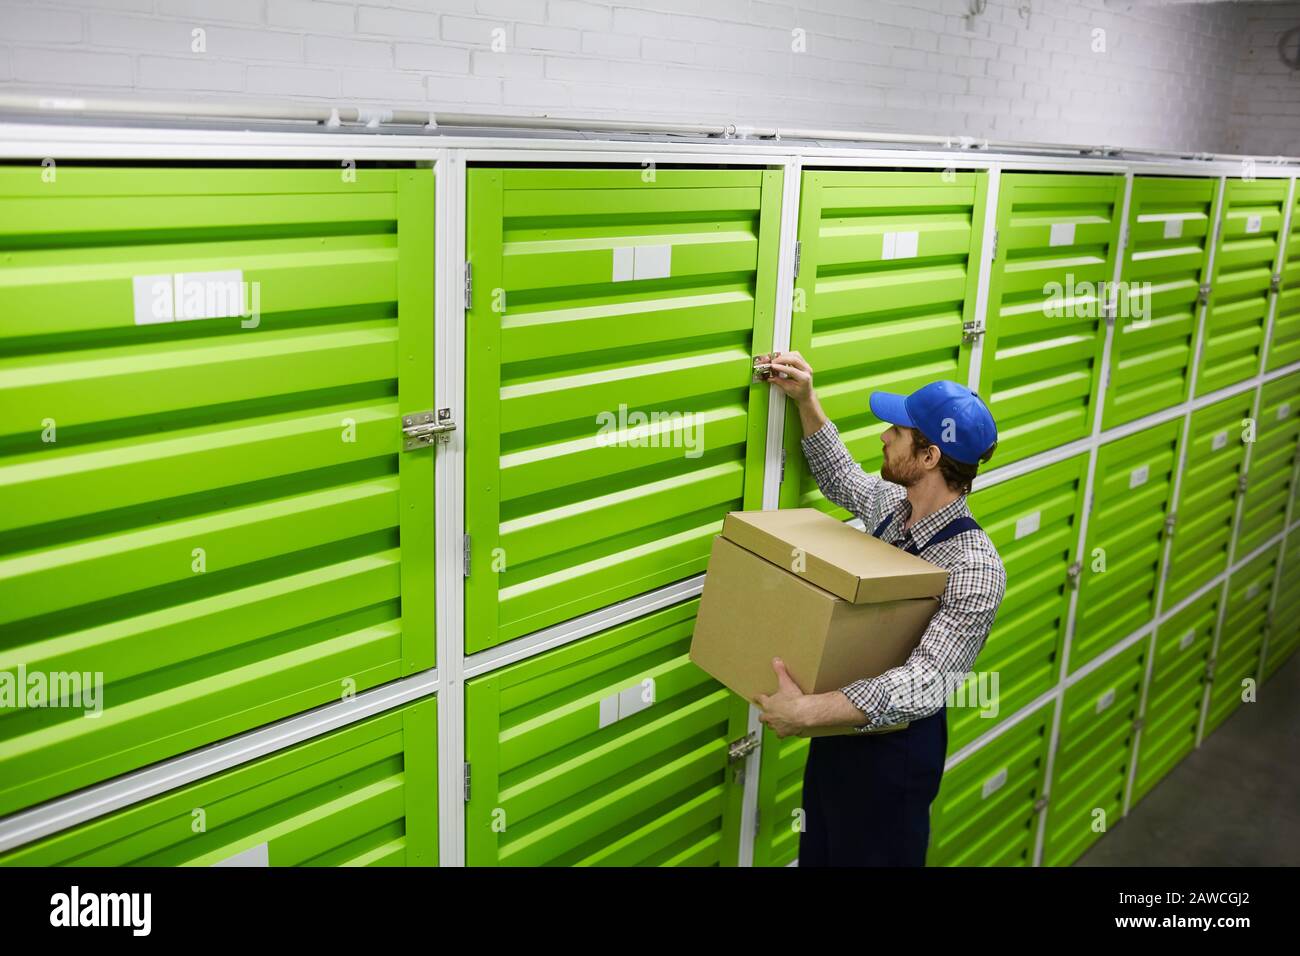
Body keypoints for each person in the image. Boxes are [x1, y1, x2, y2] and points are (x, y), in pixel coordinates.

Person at [752, 351, 1008, 866]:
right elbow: (839, 475)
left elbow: (927, 681)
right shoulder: (893, 509)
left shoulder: (975, 567)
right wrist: (806, 399)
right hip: (837, 737)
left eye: (896, 431)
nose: (884, 437)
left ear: (930, 456)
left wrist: (808, 712)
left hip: (895, 760)